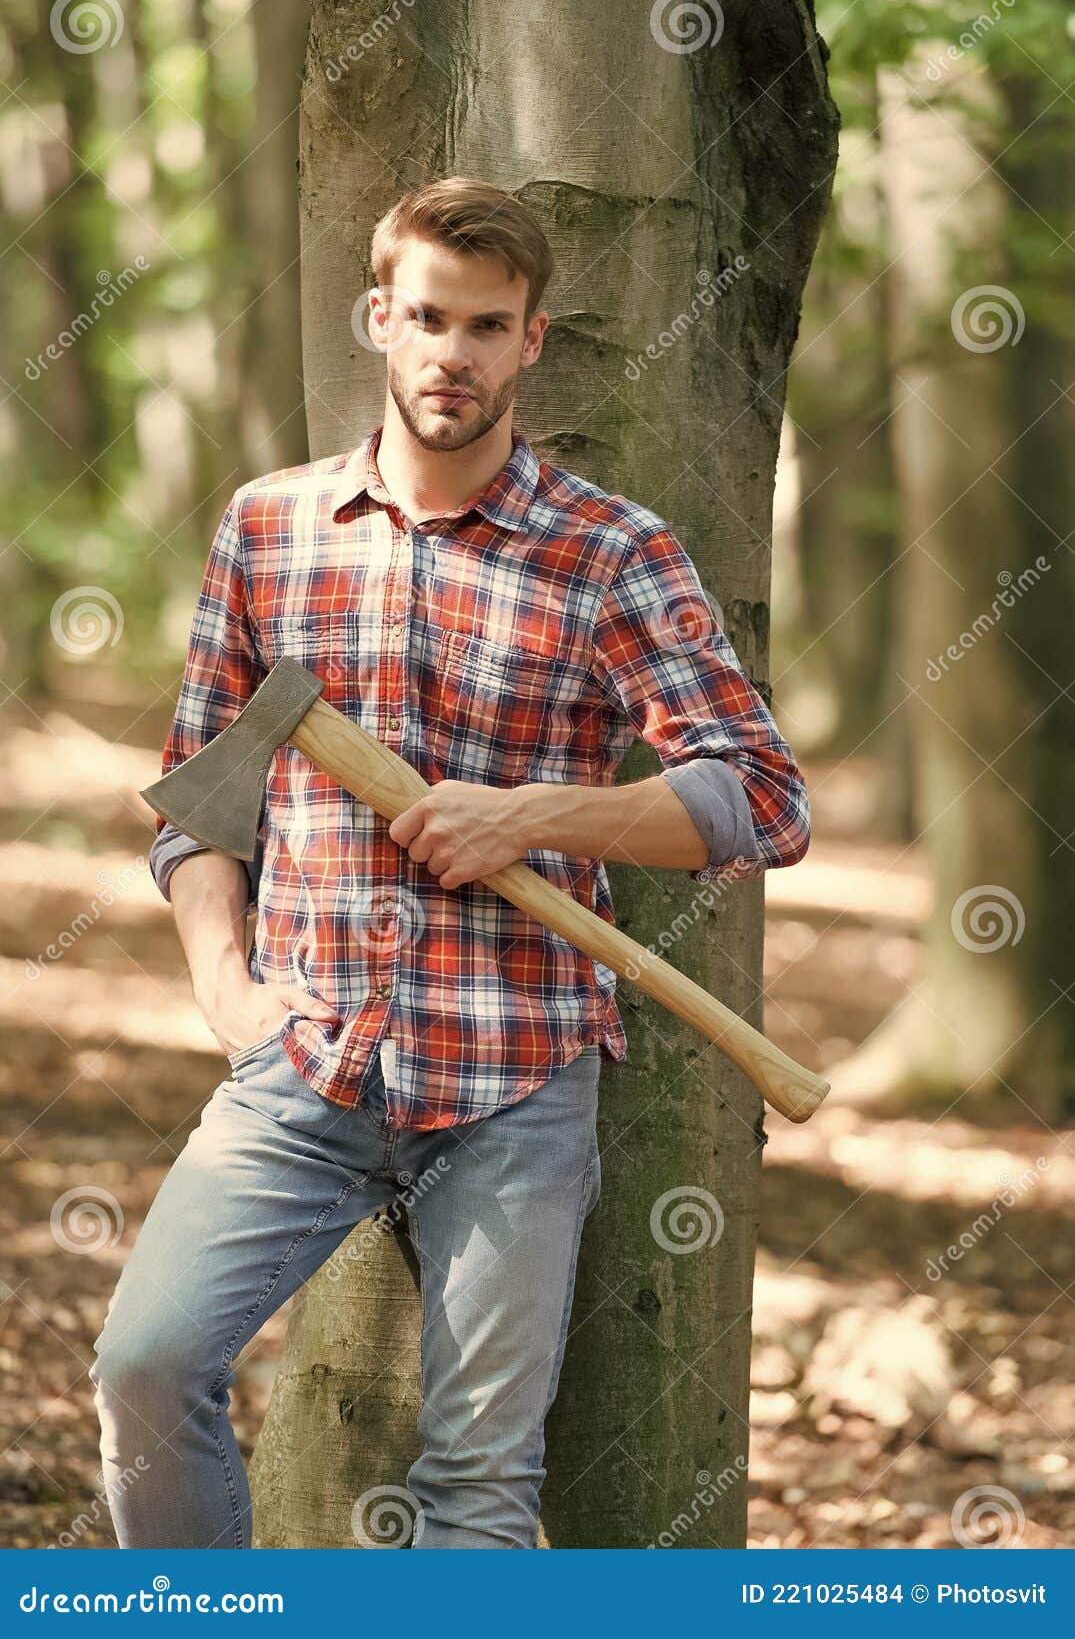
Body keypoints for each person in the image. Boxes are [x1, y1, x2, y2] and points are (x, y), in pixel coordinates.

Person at [89, 176, 811, 1549]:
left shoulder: (612, 554)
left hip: (515, 1081)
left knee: (480, 1483)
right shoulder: (270, 530)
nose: (451, 354)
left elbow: (762, 798)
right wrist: (225, 983)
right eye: (426, 317)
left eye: (487, 325)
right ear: (380, 315)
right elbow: (198, 806)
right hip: (306, 1055)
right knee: (145, 1364)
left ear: (533, 338)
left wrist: (534, 814)